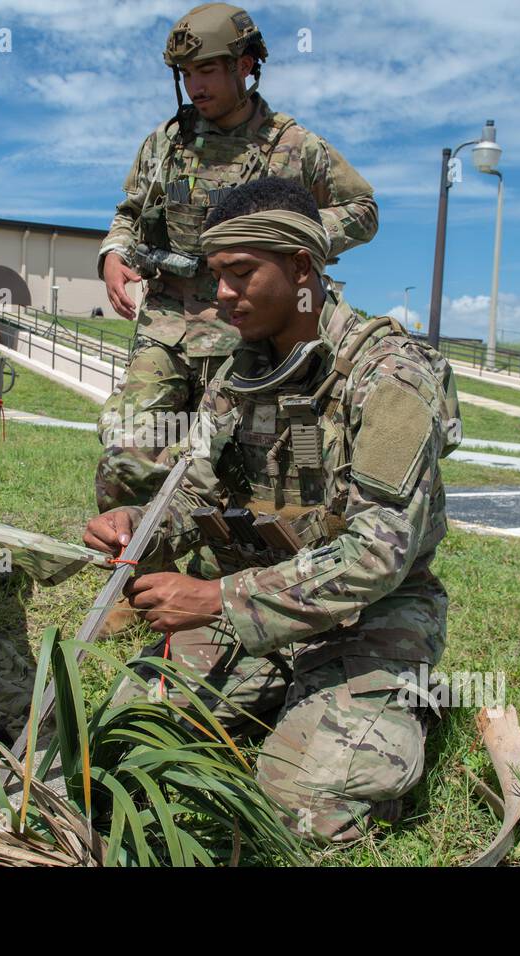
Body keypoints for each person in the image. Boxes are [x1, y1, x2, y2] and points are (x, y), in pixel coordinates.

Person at [83, 177, 463, 843]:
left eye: (239, 274)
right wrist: (143, 527)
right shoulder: (241, 374)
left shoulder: (392, 376)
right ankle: (301, 702)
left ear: (302, 268)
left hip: (367, 618)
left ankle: (400, 704)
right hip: (260, 612)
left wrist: (214, 601)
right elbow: (196, 492)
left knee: (298, 810)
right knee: (123, 735)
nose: (220, 294)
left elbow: (377, 557)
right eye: (214, 274)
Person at [94, 2, 378, 514]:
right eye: (185, 74)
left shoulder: (294, 147)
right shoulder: (164, 144)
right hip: (169, 326)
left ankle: (221, 579)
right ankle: (130, 572)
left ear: (244, 66)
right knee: (128, 449)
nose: (195, 86)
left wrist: (286, 240)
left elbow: (363, 211)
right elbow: (129, 213)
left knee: (234, 465)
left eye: (206, 70)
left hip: (249, 333)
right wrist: (113, 254)